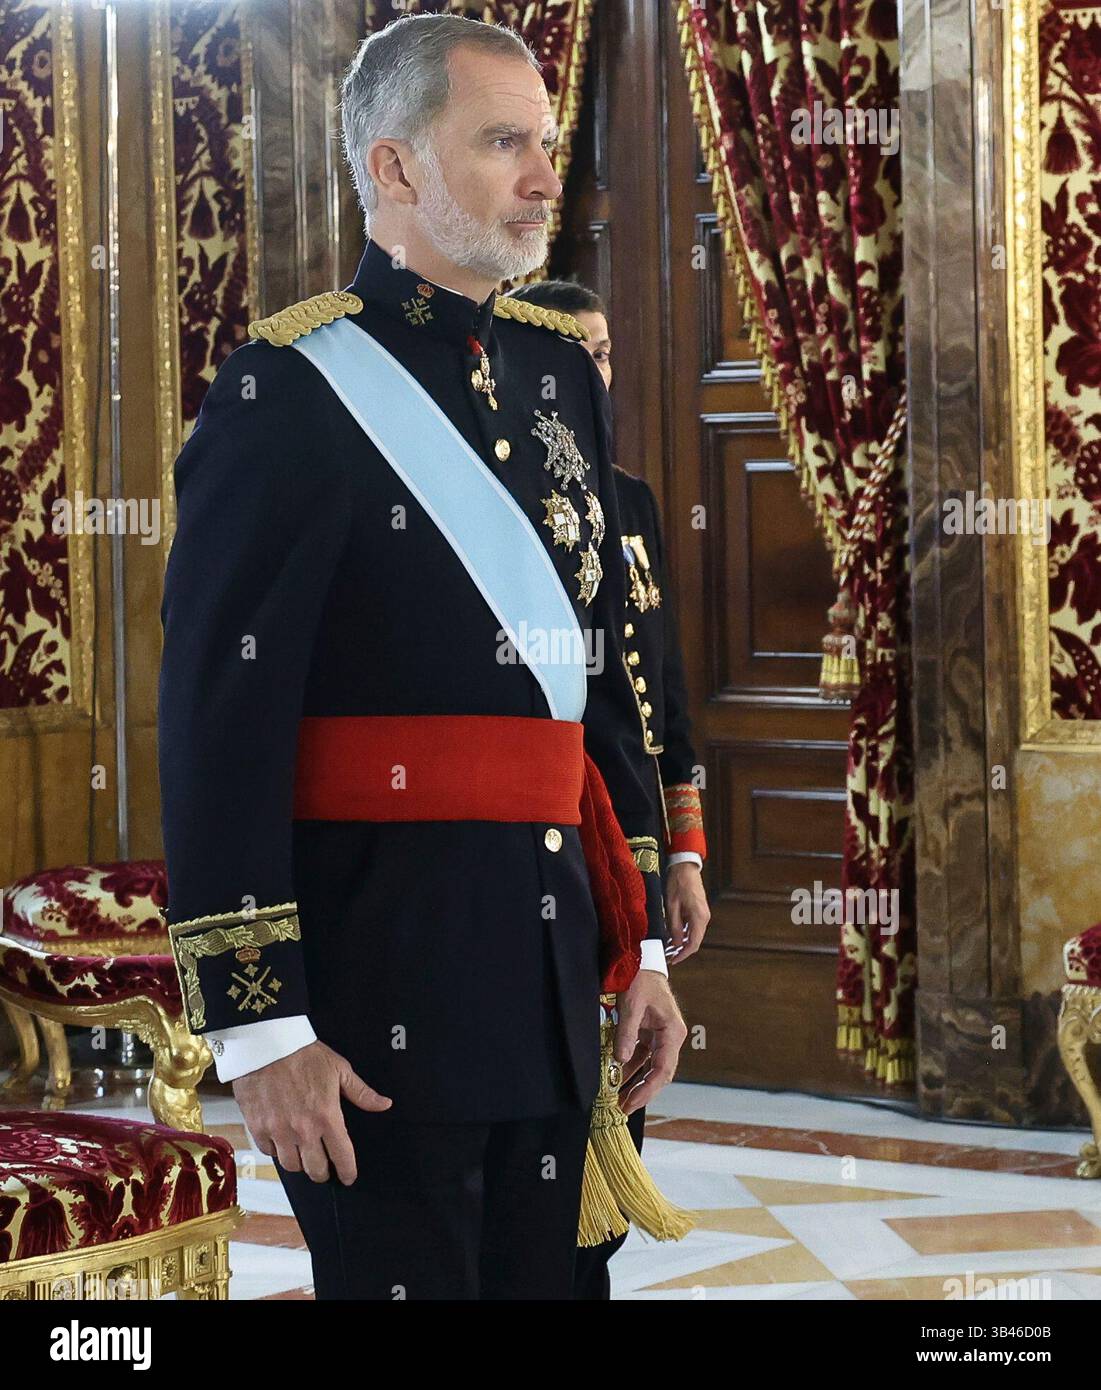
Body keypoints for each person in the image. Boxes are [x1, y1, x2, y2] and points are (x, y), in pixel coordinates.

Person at [157, 13, 687, 1301]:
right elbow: (216, 720)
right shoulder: (285, 391)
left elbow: (596, 683)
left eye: (547, 143)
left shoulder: (561, 375)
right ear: (394, 169)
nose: (546, 177)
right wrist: (262, 1026)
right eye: (505, 142)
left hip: (558, 971)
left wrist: (645, 954)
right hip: (374, 988)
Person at [508, 279, 710, 1298]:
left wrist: (683, 852)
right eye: (573, 354)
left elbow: (660, 697)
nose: (596, 371)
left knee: (619, 1126)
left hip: (632, 853)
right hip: (551, 851)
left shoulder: (626, 502)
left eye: (605, 350)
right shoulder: (511, 507)